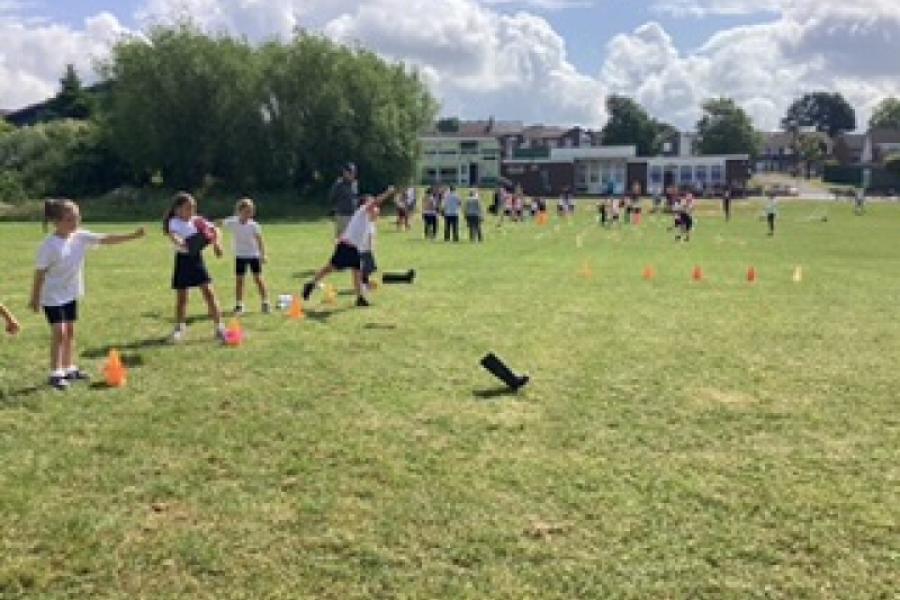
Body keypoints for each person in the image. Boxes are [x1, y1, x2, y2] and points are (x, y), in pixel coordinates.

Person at [30, 199, 145, 390]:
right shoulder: (49, 245)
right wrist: (35, 298)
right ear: (56, 222)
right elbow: (40, 273)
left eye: (77, 217)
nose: (75, 222)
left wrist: (132, 236)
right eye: (69, 219)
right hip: (52, 296)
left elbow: (106, 239)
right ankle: (55, 373)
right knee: (59, 332)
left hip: (70, 293)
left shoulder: (80, 237)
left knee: (70, 332)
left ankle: (69, 368)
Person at [302, 186, 396, 308]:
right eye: (372, 204)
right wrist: (388, 193)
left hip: (353, 249)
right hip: (346, 247)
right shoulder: (362, 211)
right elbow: (376, 202)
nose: (376, 208)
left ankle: (360, 298)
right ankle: (311, 284)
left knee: (357, 272)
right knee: (330, 268)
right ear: (365, 204)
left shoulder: (367, 220)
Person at [164, 192, 226, 343]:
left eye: (193, 208)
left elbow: (215, 230)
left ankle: (220, 327)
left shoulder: (198, 221)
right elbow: (173, 235)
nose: (191, 211)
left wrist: (217, 243)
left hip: (196, 259)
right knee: (182, 298)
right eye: (188, 208)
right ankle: (180, 327)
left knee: (209, 293)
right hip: (183, 260)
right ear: (177, 209)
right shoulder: (174, 221)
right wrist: (181, 243)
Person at [219, 198, 270, 315]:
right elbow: (219, 224)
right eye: (247, 211)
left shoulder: (254, 226)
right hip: (240, 255)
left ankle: (265, 302)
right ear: (239, 211)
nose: (249, 214)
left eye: (251, 211)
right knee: (239, 280)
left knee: (258, 279)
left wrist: (263, 254)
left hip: (253, 255)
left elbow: (260, 241)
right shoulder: (232, 222)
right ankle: (239, 304)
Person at [329, 162, 358, 239]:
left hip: (353, 215)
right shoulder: (339, 184)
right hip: (342, 215)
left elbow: (355, 197)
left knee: (352, 238)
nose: (353, 175)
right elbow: (332, 198)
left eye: (354, 172)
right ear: (345, 173)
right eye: (351, 173)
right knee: (343, 239)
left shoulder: (354, 183)